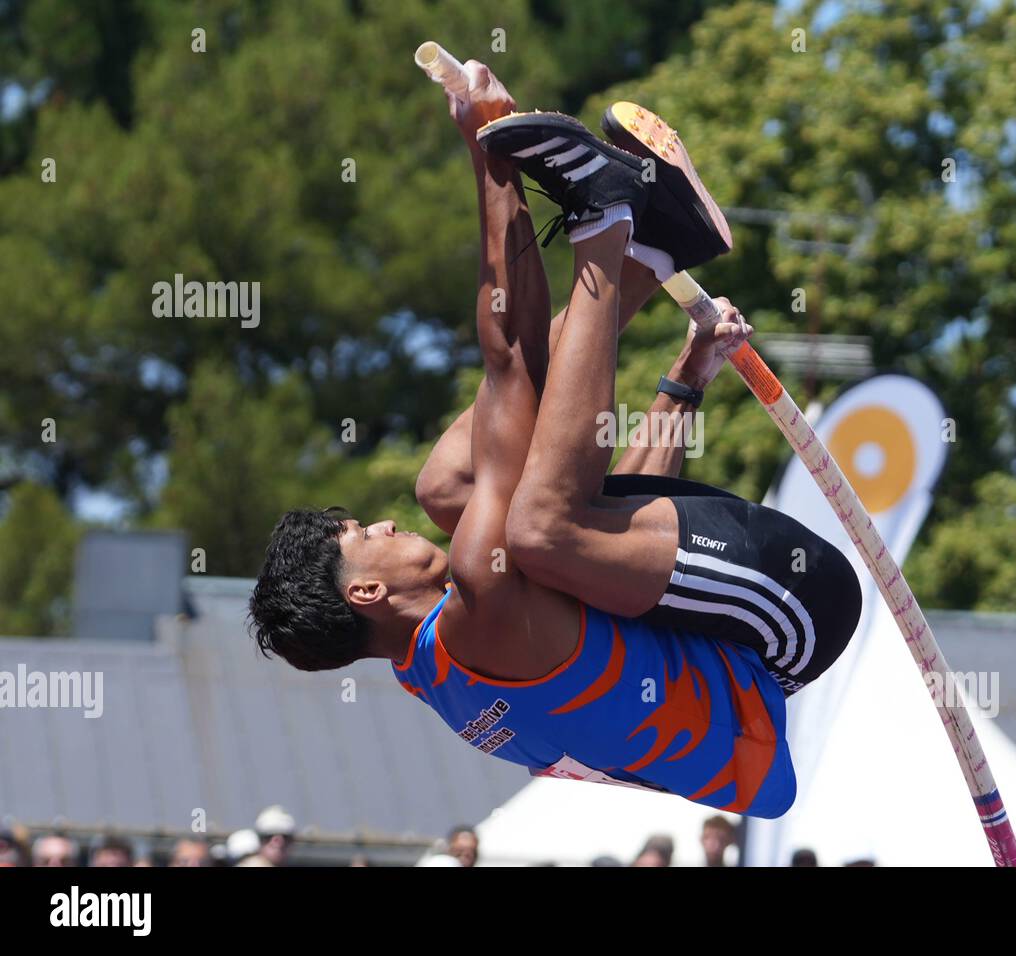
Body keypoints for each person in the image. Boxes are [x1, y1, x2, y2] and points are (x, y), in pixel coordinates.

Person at [249, 62, 862, 820]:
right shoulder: (482, 618)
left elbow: (620, 539)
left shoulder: (432, 670)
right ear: (367, 592)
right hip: (794, 618)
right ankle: (612, 228)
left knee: (455, 491)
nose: (381, 525)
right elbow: (513, 366)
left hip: (727, 631)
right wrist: (489, 153)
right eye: (362, 535)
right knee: (531, 527)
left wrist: (684, 383)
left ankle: (655, 248)